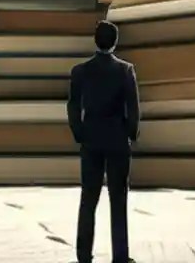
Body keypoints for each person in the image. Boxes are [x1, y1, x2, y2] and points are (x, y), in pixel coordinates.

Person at [66, 20, 140, 263]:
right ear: (115, 42)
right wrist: (131, 133)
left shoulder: (80, 71)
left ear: (95, 40)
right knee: (118, 200)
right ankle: (120, 256)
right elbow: (133, 108)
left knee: (88, 199)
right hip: (117, 139)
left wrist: (79, 133)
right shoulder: (125, 70)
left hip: (91, 140)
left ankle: (83, 255)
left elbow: (73, 106)